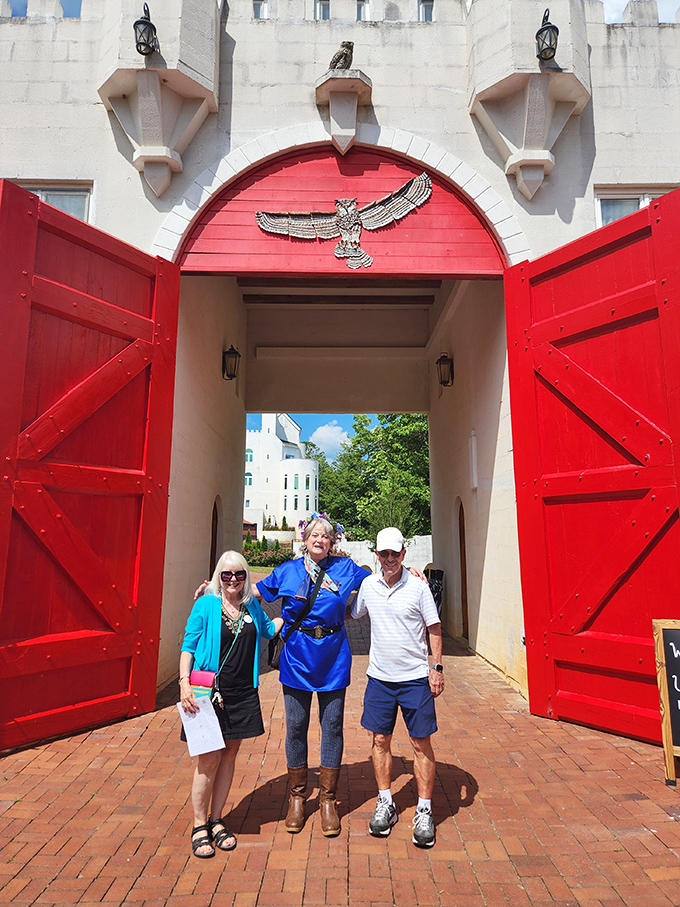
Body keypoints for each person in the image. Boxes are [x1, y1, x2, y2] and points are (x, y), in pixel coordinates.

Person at [255, 516, 371, 837]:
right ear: (304, 538)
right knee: (296, 725)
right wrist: (217, 590)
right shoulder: (287, 571)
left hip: (333, 655)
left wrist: (410, 574)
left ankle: (328, 800)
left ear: (333, 541)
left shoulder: (346, 569)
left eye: (326, 535)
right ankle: (297, 797)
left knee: (331, 725)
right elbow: (255, 592)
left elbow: (379, 580)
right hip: (297, 656)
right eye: (314, 534)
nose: (319, 539)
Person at [179, 551, 283, 858]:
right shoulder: (206, 604)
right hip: (207, 691)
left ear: (246, 575)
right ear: (218, 577)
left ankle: (217, 819)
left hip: (242, 693)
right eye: (227, 575)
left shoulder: (251, 605)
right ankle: (199, 825)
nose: (233, 580)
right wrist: (184, 682)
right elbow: (188, 645)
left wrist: (287, 614)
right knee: (208, 759)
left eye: (239, 574)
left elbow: (268, 629)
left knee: (229, 755)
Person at [350, 527, 444, 848]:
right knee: (380, 740)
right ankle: (386, 801)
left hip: (415, 678)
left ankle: (424, 809)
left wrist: (437, 667)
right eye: (383, 554)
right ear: (376, 555)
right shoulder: (368, 585)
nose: (389, 559)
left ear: (404, 554)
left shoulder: (418, 587)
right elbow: (353, 611)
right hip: (379, 678)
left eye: (395, 554)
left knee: (420, 744)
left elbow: (434, 628)